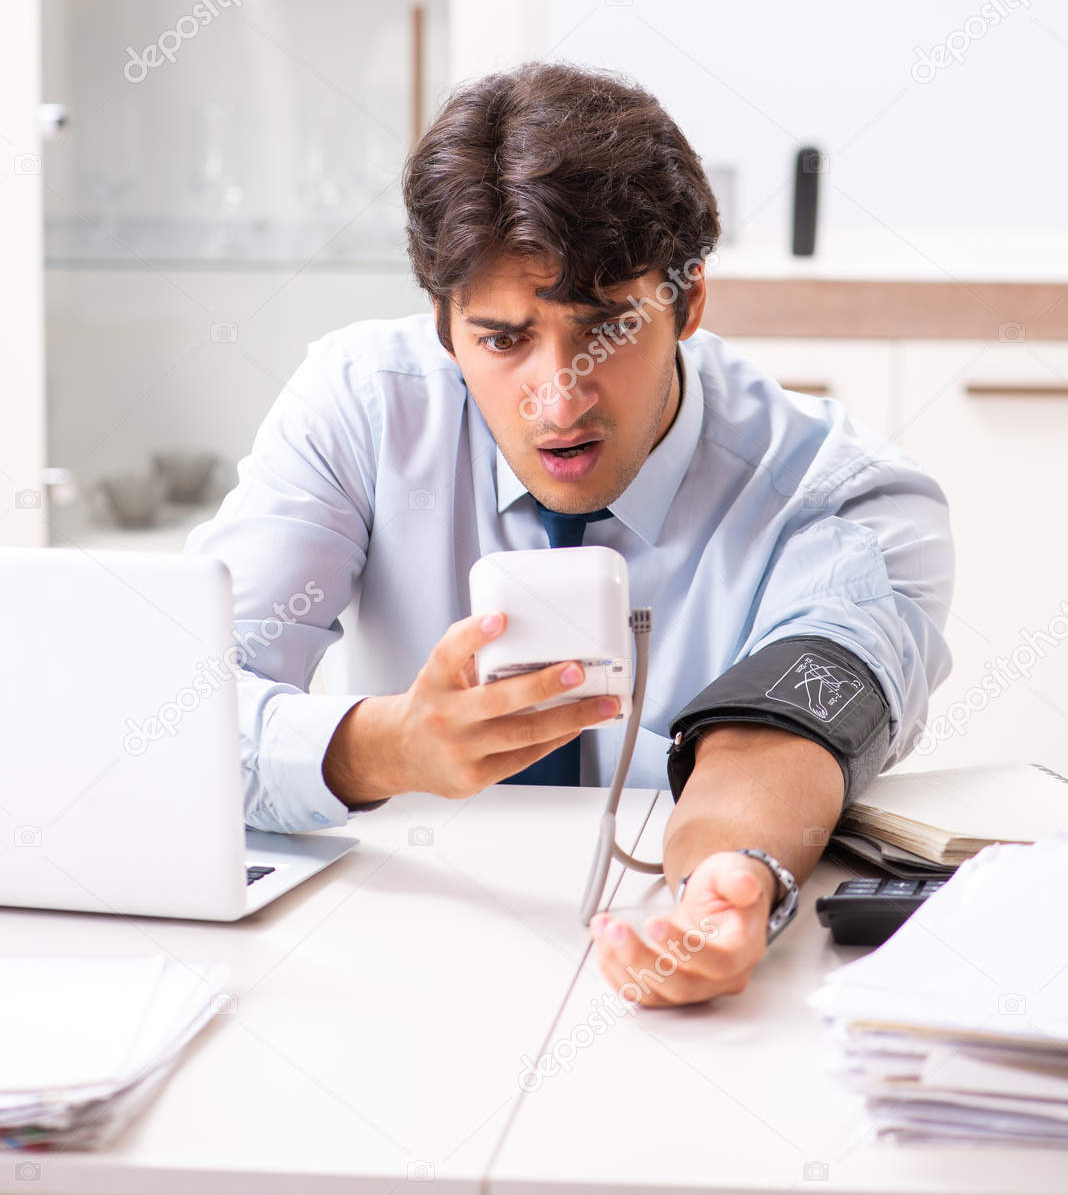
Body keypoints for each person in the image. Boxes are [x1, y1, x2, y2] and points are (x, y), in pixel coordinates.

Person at [186, 61, 953, 1007]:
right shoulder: (360, 408)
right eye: (503, 339)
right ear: (443, 326)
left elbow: (779, 732)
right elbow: (176, 709)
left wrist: (731, 878)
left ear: (690, 303)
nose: (559, 397)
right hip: (392, 961)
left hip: (650, 953)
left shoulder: (839, 495)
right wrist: (385, 745)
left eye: (608, 326)